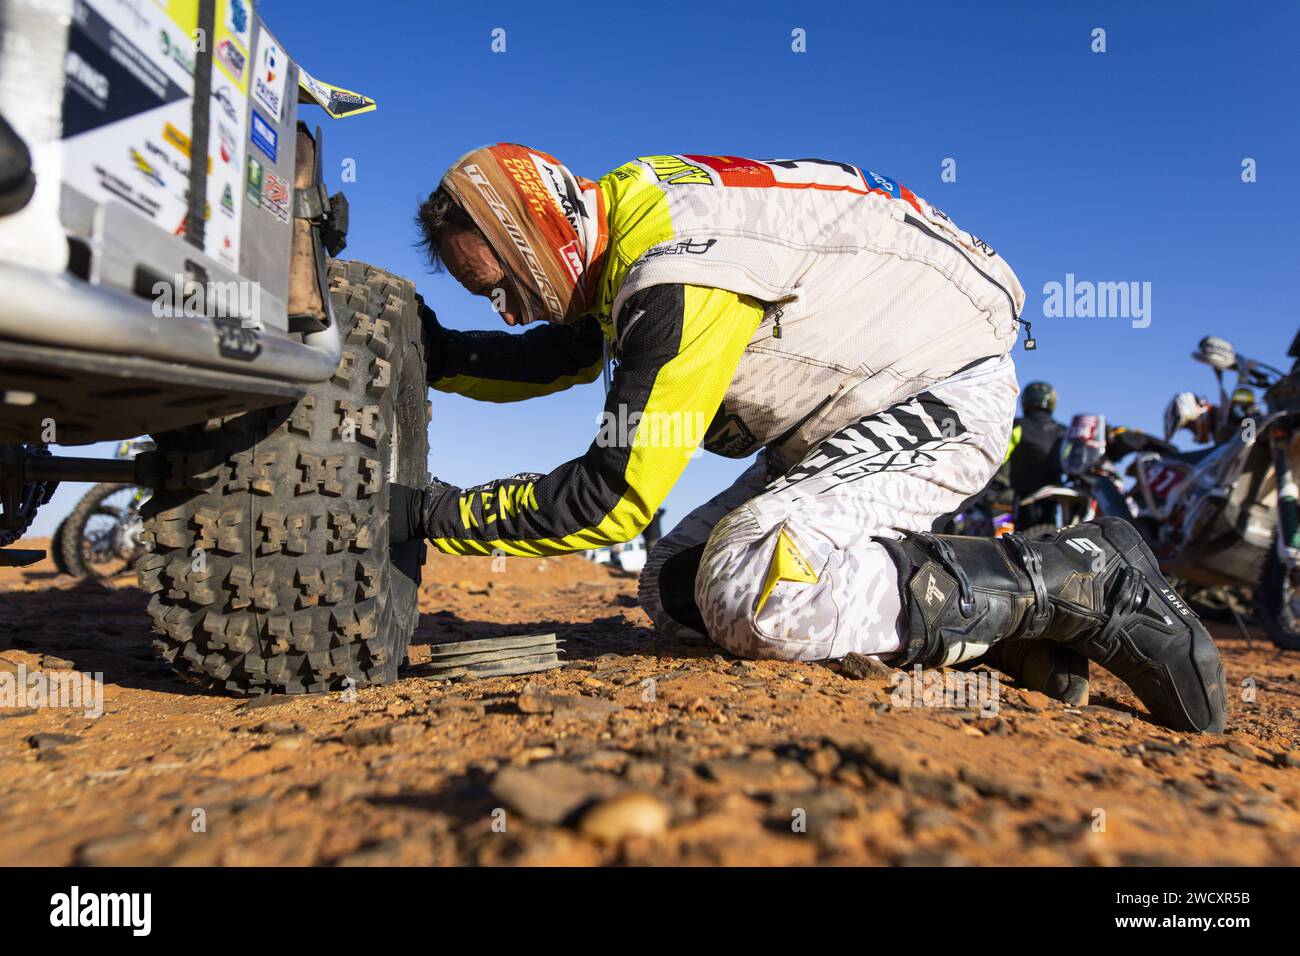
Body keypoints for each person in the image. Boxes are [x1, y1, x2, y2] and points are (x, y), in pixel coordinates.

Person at [389, 145, 1226, 733]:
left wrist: (426, 512)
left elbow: (610, 500)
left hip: (939, 387)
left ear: (538, 232)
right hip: (853, 407)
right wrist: (437, 352)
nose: (507, 311)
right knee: (675, 584)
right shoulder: (623, 214)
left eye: (502, 286)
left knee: (753, 587)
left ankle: (1079, 578)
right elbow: (566, 351)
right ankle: (999, 636)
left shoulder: (678, 268)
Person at [1004, 381, 1067, 528]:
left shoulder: (1017, 425)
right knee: (1048, 532)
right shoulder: (1062, 431)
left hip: (1020, 493)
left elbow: (1001, 456)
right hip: (1055, 495)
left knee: (1022, 533)